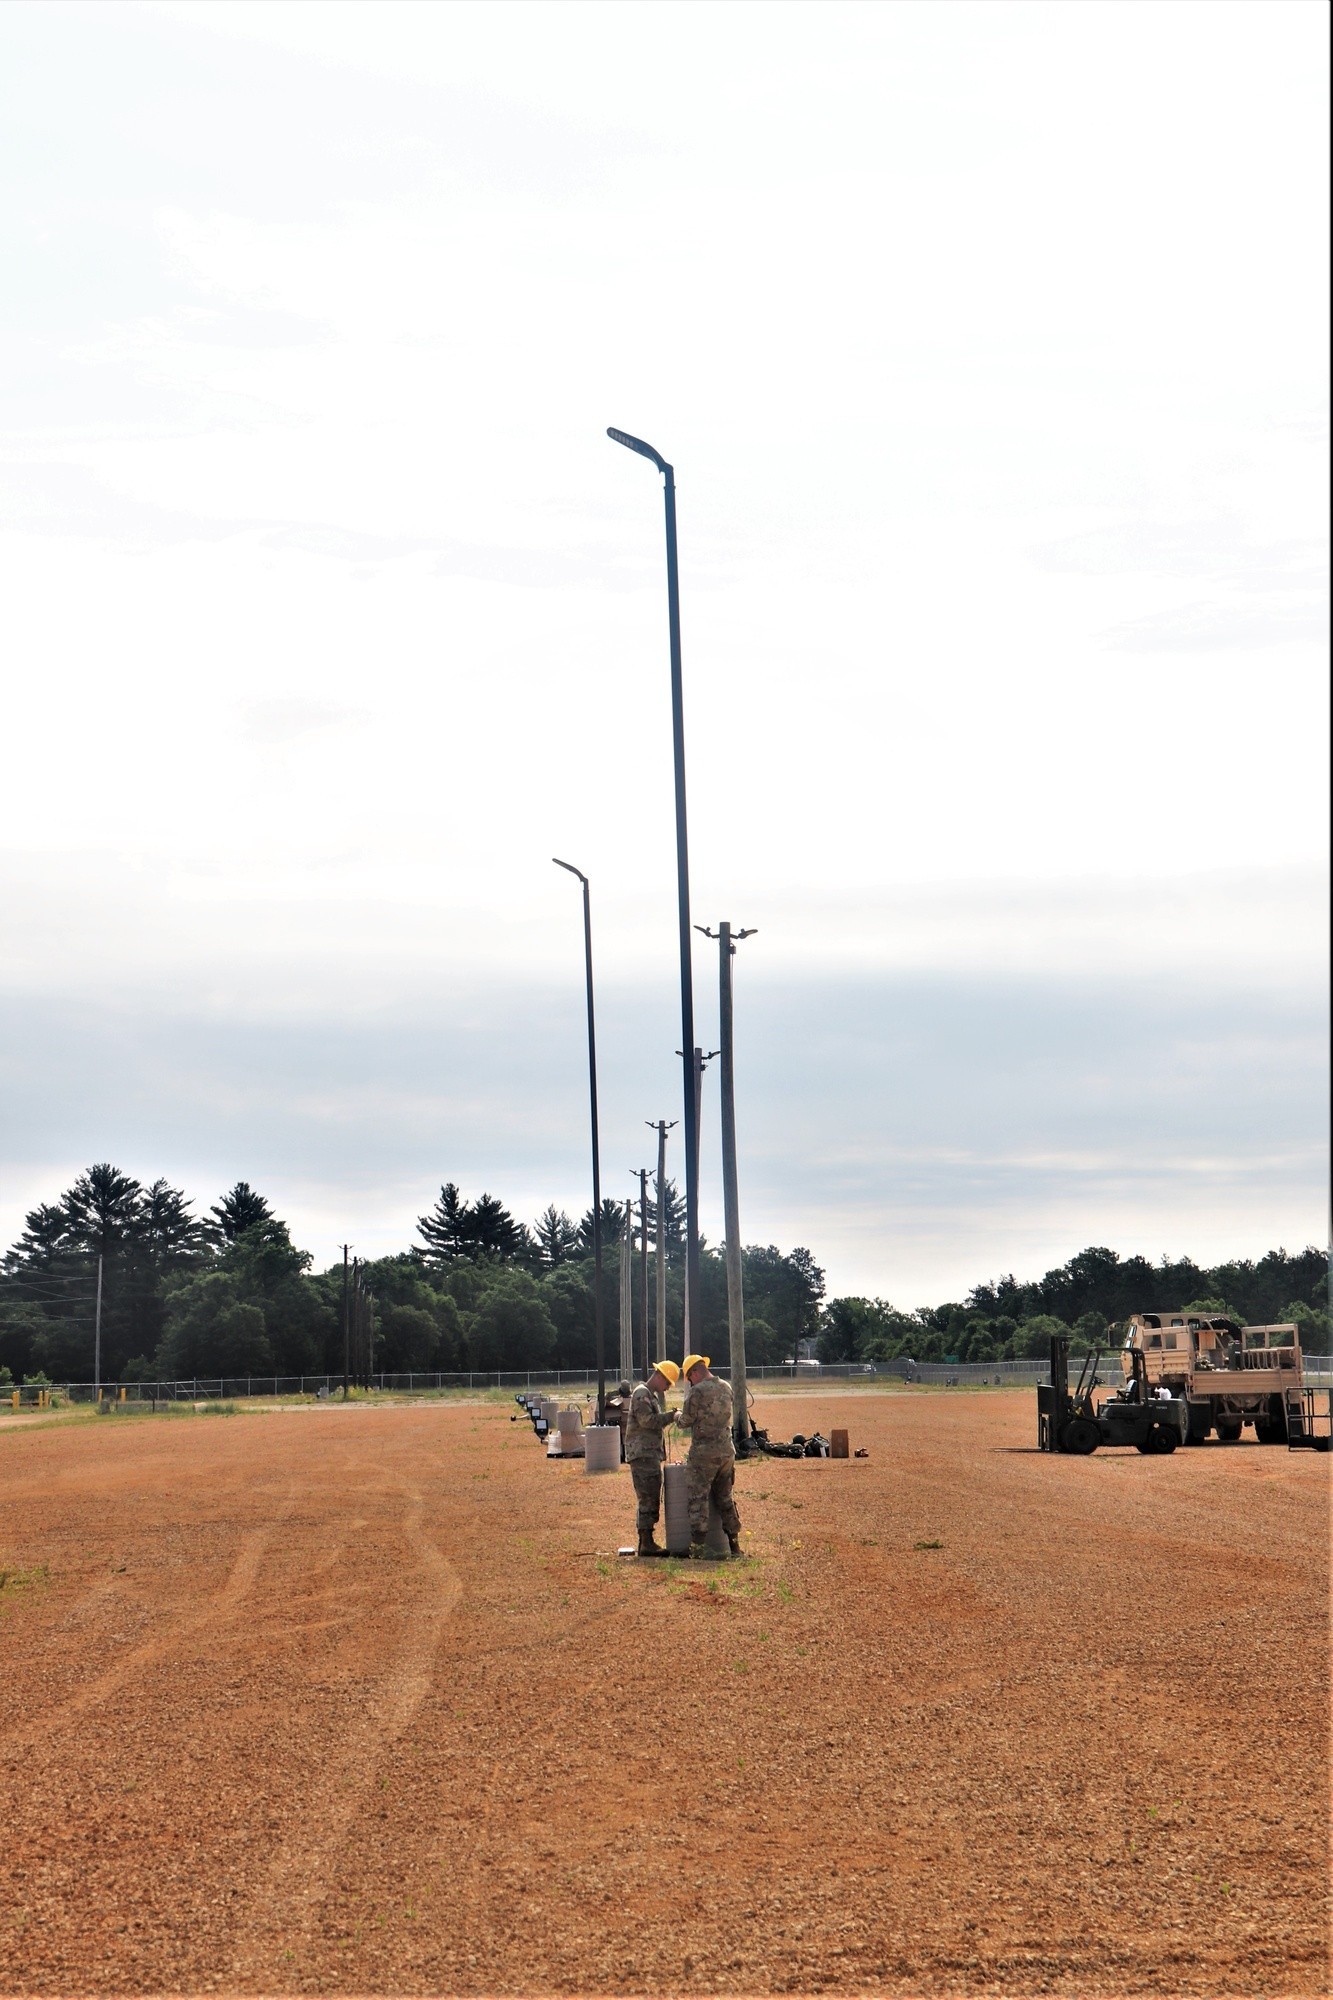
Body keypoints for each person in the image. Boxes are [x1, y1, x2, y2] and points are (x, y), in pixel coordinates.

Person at [677, 1354, 742, 1557]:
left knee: (698, 1498)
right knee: (725, 1498)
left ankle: (697, 1548)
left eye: (689, 1377)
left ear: (695, 1372)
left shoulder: (697, 1392)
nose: (690, 1382)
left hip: (704, 1454)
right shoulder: (726, 1386)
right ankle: (734, 1546)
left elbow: (685, 1421)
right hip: (726, 1452)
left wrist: (676, 1415)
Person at [625, 1361, 679, 1556]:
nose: (667, 1388)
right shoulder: (642, 1393)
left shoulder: (649, 1395)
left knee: (651, 1496)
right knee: (648, 1498)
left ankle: (646, 1541)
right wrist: (671, 1417)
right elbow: (648, 1422)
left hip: (648, 1454)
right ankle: (646, 1543)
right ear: (660, 1376)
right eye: (667, 1383)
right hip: (643, 1454)